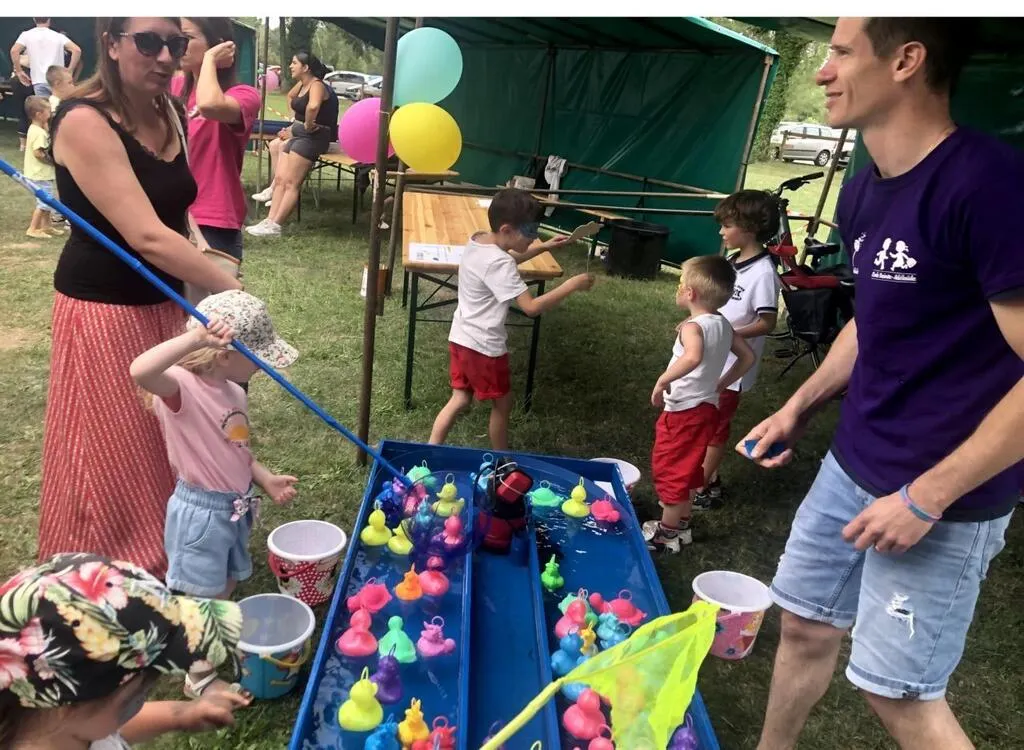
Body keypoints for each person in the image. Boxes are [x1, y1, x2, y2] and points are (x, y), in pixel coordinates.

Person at [741, 18, 1023, 750]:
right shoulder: (863, 191)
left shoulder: (991, 185)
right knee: (803, 626)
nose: (823, 71)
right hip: (852, 465)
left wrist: (927, 496)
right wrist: (799, 405)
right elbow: (874, 322)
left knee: (898, 695)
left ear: (906, 61)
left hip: (946, 495)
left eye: (840, 52)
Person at [39, 17, 243, 579]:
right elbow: (147, 236)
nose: (165, 57)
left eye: (175, 44)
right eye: (148, 42)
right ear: (111, 44)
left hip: (167, 303)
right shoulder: (83, 121)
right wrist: (230, 289)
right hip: (105, 309)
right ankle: (108, 572)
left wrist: (206, 266)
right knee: (112, 446)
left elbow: (176, 217)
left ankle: (175, 548)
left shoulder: (168, 110)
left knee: (168, 434)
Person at [131, 289, 298, 696]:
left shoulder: (234, 391)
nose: (260, 366)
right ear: (224, 355)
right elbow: (140, 370)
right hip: (201, 516)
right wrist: (195, 338)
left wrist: (264, 477)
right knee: (200, 600)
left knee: (224, 586)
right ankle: (199, 675)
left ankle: (212, 639)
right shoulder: (181, 388)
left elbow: (236, 449)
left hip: (234, 508)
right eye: (256, 357)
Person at [0, 553, 249, 749]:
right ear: (66, 708)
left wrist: (182, 715)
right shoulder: (74, 724)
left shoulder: (58, 726)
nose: (142, 695)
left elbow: (106, 729)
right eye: (136, 694)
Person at [428, 189, 594, 450]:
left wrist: (544, 247)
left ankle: (429, 450)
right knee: (503, 404)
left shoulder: (479, 241)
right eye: (530, 231)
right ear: (506, 229)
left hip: (460, 338)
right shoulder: (499, 263)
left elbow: (505, 257)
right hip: (484, 347)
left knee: (459, 399)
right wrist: (571, 285)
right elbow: (531, 307)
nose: (535, 236)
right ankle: (502, 459)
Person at [645, 255, 755, 552]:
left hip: (684, 411)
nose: (678, 288)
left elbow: (692, 357)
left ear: (690, 293)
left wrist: (662, 381)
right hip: (708, 408)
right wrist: (721, 382)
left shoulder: (692, 328)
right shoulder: (723, 324)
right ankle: (681, 526)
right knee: (691, 466)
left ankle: (666, 535)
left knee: (671, 468)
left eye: (680, 284)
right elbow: (748, 357)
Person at [693, 190, 781, 509]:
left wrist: (726, 333)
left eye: (727, 225)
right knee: (703, 420)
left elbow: (767, 322)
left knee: (715, 429)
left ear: (750, 228)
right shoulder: (733, 263)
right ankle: (711, 480)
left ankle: (699, 489)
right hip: (714, 360)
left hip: (733, 371)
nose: (721, 231)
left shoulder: (764, 273)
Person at [173, 18, 261, 262]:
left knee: (209, 288)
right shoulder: (174, 86)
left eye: (187, 38)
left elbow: (210, 105)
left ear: (219, 45)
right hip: (167, 212)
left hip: (212, 219)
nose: (178, 44)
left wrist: (210, 59)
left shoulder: (244, 95)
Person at [247, 51, 339, 237]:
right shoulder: (304, 84)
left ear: (306, 67)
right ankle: (269, 221)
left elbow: (313, 106)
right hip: (299, 135)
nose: (290, 66)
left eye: (294, 63)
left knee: (291, 183)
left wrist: (308, 124)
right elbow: (292, 97)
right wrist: (295, 123)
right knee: (280, 179)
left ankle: (276, 226)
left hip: (313, 138)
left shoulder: (317, 85)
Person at [9, 17, 81, 97]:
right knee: (60, 104)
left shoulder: (26, 35)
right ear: (49, 19)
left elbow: (14, 51)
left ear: (34, 19)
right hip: (58, 79)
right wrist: (69, 71)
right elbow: (77, 50)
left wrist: (19, 71)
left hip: (39, 80)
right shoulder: (58, 36)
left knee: (42, 104)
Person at [22, 96, 61, 239]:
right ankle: (33, 228)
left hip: (37, 173)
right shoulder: (39, 133)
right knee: (44, 202)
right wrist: (52, 161)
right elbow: (38, 153)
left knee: (47, 200)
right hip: (40, 174)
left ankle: (46, 226)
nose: (50, 114)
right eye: (48, 111)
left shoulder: (34, 129)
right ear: (39, 114)